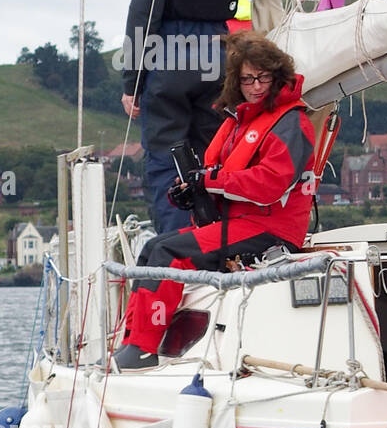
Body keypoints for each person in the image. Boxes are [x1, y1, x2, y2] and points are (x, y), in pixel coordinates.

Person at [112, 33, 316, 371]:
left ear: (278, 77)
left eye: (263, 77)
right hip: (239, 224)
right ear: (237, 81)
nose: (256, 86)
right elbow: (217, 175)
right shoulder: (239, 121)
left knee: (168, 253)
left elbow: (268, 185)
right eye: (248, 79)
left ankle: (143, 350)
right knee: (152, 248)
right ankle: (133, 340)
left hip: (270, 230)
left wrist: (208, 180)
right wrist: (189, 189)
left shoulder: (291, 123)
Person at [122, 0, 241, 235]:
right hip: (219, 58)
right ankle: (218, 239)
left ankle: (178, 246)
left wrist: (132, 82)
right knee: (214, 154)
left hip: (171, 57)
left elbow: (143, 15)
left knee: (167, 156)